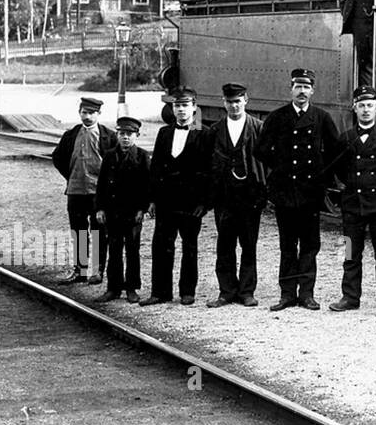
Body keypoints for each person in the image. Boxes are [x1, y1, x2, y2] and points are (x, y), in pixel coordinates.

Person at [255, 67, 343, 312]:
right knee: (286, 245)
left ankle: (306, 294)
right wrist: (281, 167)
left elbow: (335, 151)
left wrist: (319, 173)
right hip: (284, 191)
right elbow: (260, 150)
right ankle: (286, 295)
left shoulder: (321, 117)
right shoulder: (277, 117)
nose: (302, 92)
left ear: (312, 90)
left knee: (309, 245)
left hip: (310, 192)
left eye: (306, 87)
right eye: (298, 87)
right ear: (291, 89)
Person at [330, 86, 376, 312]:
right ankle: (350, 297)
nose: (365, 110)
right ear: (354, 108)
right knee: (350, 252)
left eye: (369, 105)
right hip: (352, 207)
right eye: (361, 105)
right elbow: (340, 169)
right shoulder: (345, 138)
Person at [142, 88, 209, 306]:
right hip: (165, 201)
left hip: (191, 204)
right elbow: (156, 169)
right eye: (177, 106)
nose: (181, 110)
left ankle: (187, 292)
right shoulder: (164, 133)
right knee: (161, 245)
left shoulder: (205, 134)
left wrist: (204, 203)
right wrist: (151, 199)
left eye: (185, 105)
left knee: (189, 246)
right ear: (172, 108)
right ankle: (160, 292)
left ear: (194, 107)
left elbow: (210, 171)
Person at [205, 82, 267, 307]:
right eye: (229, 102)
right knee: (225, 245)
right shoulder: (215, 130)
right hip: (225, 197)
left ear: (246, 101)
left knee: (249, 245)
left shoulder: (258, 128)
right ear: (224, 103)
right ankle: (227, 291)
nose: (234, 106)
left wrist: (263, 193)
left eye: (238, 101)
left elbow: (267, 164)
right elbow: (208, 164)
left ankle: (247, 292)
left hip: (250, 198)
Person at [51, 96, 117, 285]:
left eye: (91, 113)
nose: (87, 116)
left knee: (98, 231)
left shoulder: (108, 136)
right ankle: (80, 271)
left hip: (99, 194)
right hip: (75, 191)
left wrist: (107, 185)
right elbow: (58, 157)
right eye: (84, 112)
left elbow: (114, 163)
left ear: (99, 114)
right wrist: (71, 176)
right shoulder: (71, 135)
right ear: (79, 113)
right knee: (78, 232)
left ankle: (97, 271)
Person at [93, 115, 149, 303]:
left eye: (130, 134)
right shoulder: (109, 156)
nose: (125, 138)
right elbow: (101, 185)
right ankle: (113, 288)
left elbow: (147, 187)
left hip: (133, 213)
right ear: (117, 135)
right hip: (112, 212)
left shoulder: (142, 156)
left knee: (132, 250)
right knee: (114, 250)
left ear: (137, 136)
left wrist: (143, 209)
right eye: (122, 134)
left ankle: (132, 288)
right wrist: (100, 208)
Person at [339, 0, 375, 86]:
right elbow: (341, 2)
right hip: (357, 28)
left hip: (374, 27)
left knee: (374, 60)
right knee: (361, 60)